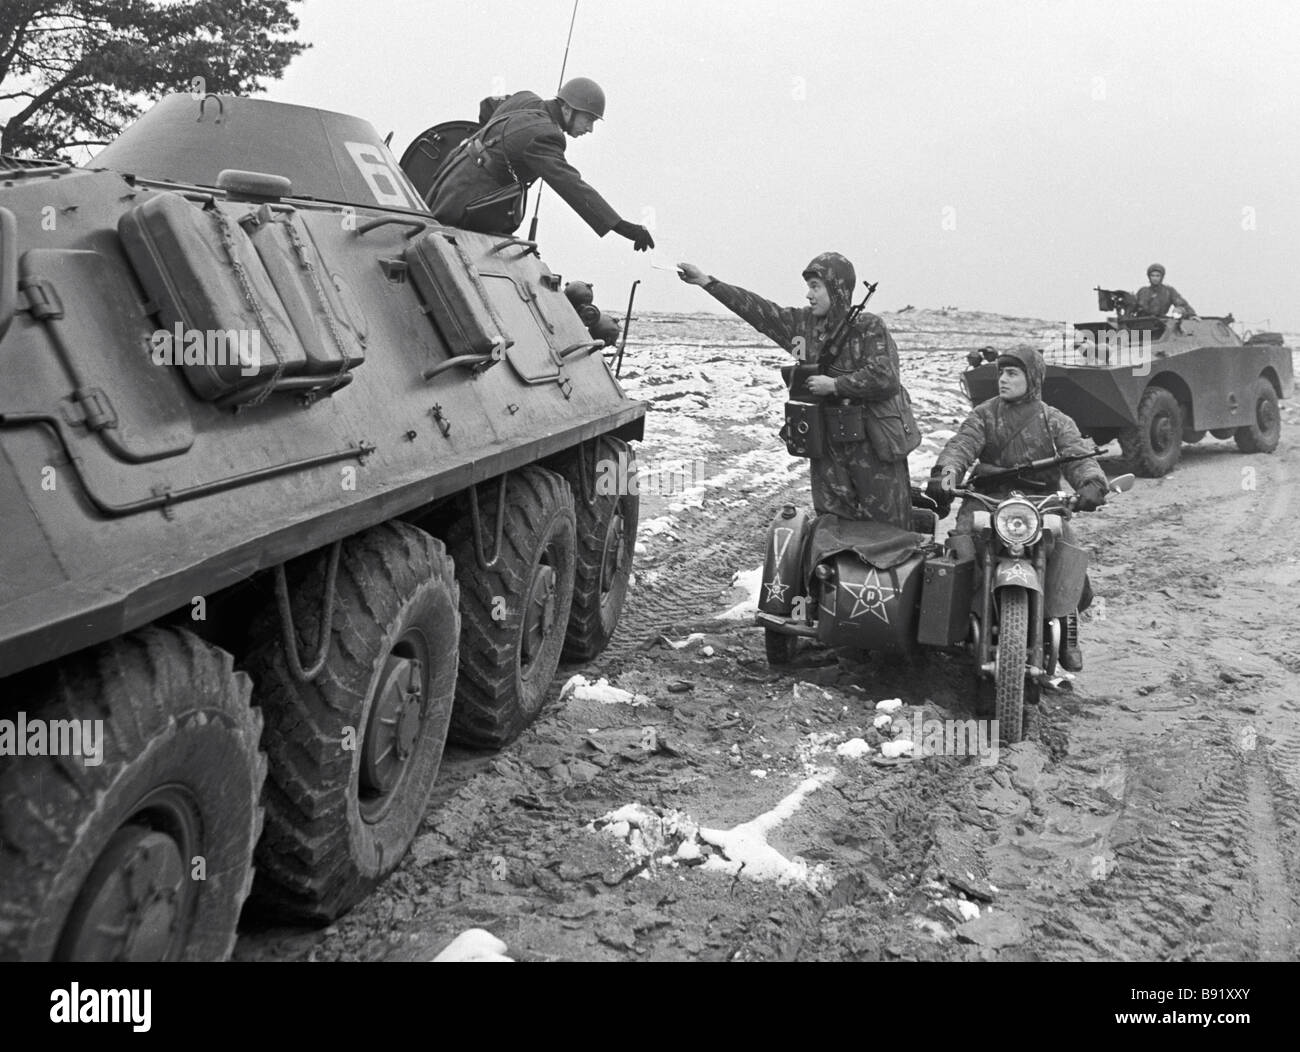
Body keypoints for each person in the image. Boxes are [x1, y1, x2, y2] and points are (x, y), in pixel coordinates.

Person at [678, 252, 915, 528]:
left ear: (837, 289)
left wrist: (835, 385)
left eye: (816, 286)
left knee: (888, 527)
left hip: (872, 448)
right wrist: (708, 283)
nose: (808, 295)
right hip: (828, 450)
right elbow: (760, 312)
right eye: (809, 286)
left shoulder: (868, 327)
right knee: (833, 526)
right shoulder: (803, 328)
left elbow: (886, 377)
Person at [931, 346, 1108, 671]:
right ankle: (955, 625)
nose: (1003, 379)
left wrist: (1090, 482)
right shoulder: (984, 415)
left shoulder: (1055, 420)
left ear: (1033, 378)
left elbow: (1077, 454)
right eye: (1001, 372)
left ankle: (1068, 628)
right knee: (961, 548)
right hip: (987, 498)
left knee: (1066, 550)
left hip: (1041, 502)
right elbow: (961, 445)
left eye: (1012, 373)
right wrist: (946, 474)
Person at [426, 77, 654, 251]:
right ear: (567, 109)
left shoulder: (525, 99)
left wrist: (491, 146)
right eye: (589, 119)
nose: (590, 129)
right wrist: (621, 226)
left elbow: (487, 107)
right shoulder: (545, 136)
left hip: (448, 175)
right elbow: (571, 184)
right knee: (440, 247)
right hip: (464, 200)